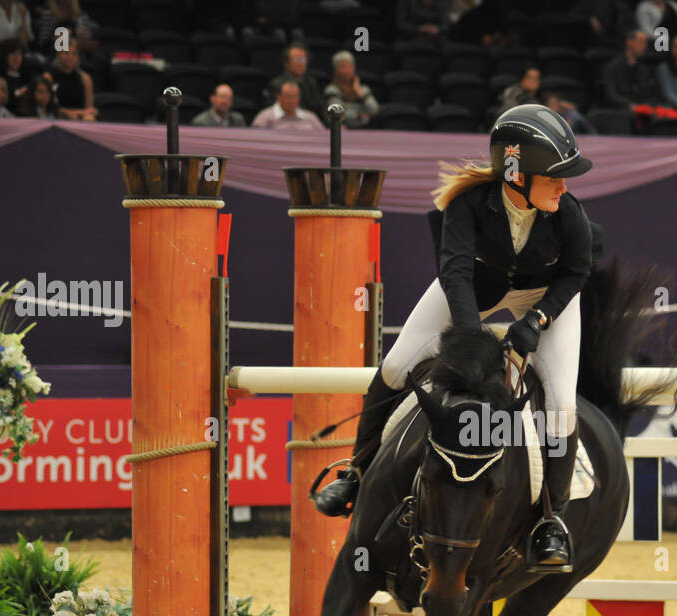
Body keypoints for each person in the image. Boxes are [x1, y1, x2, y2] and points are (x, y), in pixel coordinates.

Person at [315, 104, 596, 571]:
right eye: (554, 178)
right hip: (473, 289)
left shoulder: (567, 212)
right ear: (517, 176)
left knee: (562, 403)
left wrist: (538, 321)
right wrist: (471, 336)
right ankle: (357, 470)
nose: (564, 187)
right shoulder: (467, 207)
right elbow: (456, 273)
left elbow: (577, 272)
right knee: (395, 366)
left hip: (547, 295)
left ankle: (552, 518)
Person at [266, 43, 326, 123]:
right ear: (286, 63)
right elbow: (272, 112)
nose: (301, 64)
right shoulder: (277, 84)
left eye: (303, 60)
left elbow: (320, 109)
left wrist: (332, 124)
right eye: (297, 60)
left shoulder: (310, 83)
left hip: (308, 124)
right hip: (284, 124)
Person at [602, 29, 658, 110]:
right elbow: (611, 95)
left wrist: (647, 105)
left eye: (645, 43)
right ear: (629, 42)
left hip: (642, 110)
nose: (644, 46)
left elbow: (650, 93)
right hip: (620, 111)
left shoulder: (643, 69)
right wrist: (629, 105)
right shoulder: (613, 67)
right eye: (641, 41)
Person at [324, 51, 380, 128]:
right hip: (344, 130)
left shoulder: (363, 89)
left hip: (366, 130)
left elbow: (374, 110)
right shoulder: (332, 90)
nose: (347, 70)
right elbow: (337, 114)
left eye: (350, 66)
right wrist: (360, 116)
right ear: (336, 70)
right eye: (343, 67)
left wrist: (360, 94)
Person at [252, 80, 323, 131]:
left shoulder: (310, 118)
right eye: (289, 97)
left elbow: (324, 138)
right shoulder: (264, 118)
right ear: (278, 97)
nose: (293, 100)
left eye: (296, 96)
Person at [0, 39, 36, 115]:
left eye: (19, 54)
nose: (16, 58)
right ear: (4, 56)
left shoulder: (28, 77)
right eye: (12, 54)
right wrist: (17, 94)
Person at [51, 45, 96, 120]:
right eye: (66, 53)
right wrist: (71, 113)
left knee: (90, 118)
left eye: (74, 54)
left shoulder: (85, 79)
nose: (70, 57)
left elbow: (89, 108)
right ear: (58, 55)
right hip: (56, 116)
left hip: (79, 116)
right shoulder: (49, 77)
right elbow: (48, 107)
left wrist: (80, 114)